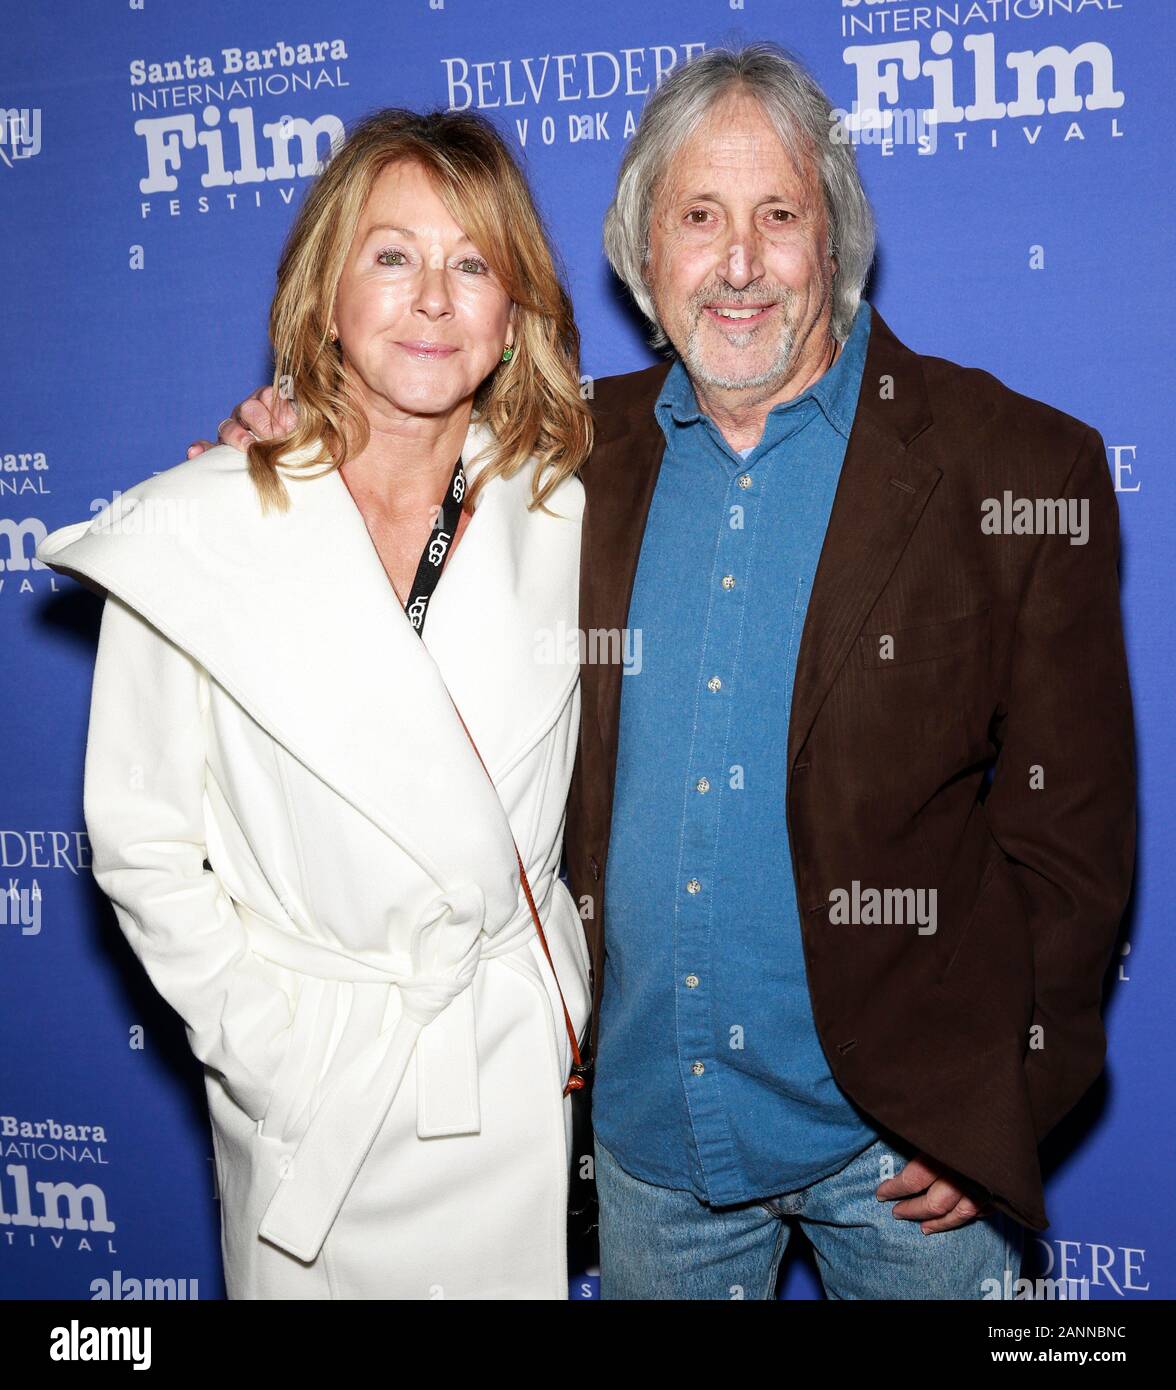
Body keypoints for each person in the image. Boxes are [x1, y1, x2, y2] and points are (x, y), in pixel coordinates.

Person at [200, 44, 1136, 1301]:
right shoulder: (566, 457)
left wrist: (1011, 1095)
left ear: (837, 241)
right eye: (698, 218)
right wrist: (285, 449)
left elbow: (1073, 840)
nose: (738, 262)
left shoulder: (1015, 466)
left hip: (902, 1151)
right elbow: (390, 446)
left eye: (778, 217)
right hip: (649, 1144)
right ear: (646, 255)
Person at [36, 106, 593, 1300]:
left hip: (506, 1087)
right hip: (321, 1104)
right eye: (393, 256)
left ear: (515, 314)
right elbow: (140, 842)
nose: (434, 299)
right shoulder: (196, 529)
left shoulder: (577, 513)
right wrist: (270, 1051)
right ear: (325, 289)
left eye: (473, 263)